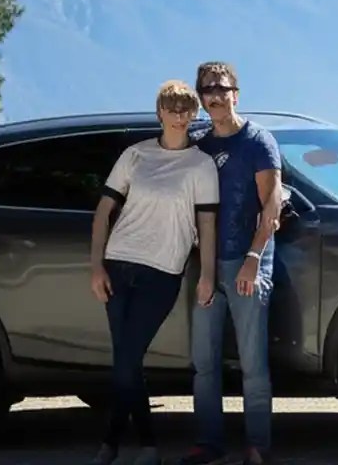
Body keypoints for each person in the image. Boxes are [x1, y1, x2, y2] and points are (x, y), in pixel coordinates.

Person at [87, 80, 220, 465]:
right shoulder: (136, 155)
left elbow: (206, 225)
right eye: (171, 109)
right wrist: (96, 266)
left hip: (162, 272)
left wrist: (208, 274)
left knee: (127, 359)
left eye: (185, 110)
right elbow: (103, 213)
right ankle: (143, 447)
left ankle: (113, 444)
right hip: (118, 263)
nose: (179, 117)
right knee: (126, 360)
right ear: (159, 112)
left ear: (194, 115)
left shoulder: (201, 165)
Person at [177, 61, 282, 465]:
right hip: (208, 266)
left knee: (253, 363)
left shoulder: (258, 141)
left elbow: (271, 205)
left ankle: (258, 445)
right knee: (204, 363)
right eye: (207, 90)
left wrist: (253, 261)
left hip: (246, 262)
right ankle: (209, 443)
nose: (215, 96)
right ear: (201, 99)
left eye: (221, 88)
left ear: (236, 93)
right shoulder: (200, 145)